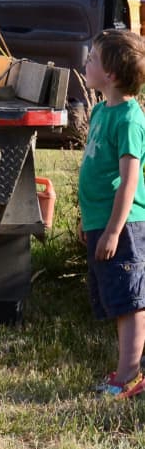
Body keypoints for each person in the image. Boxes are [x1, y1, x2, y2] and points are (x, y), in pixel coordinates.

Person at [77, 29, 145, 399]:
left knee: (131, 301)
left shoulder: (129, 120)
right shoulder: (103, 109)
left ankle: (128, 375)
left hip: (125, 226)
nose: (86, 62)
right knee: (117, 297)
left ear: (113, 75)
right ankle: (126, 367)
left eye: (92, 59)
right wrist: (90, 224)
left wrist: (114, 231)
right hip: (102, 222)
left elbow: (129, 182)